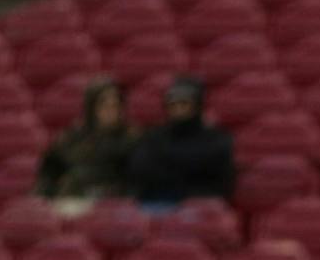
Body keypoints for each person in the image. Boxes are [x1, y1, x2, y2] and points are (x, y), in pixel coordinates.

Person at [128, 76, 236, 208]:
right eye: (173, 105)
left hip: (200, 205)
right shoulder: (154, 137)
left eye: (184, 104)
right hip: (158, 202)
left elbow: (221, 180)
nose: (178, 110)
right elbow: (141, 169)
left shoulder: (216, 139)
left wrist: (170, 166)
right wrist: (190, 168)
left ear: (196, 106)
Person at [36, 77, 134, 204]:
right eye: (104, 103)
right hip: (70, 200)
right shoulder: (72, 138)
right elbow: (49, 172)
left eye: (116, 104)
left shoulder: (131, 139)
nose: (111, 109)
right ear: (91, 107)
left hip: (111, 202)